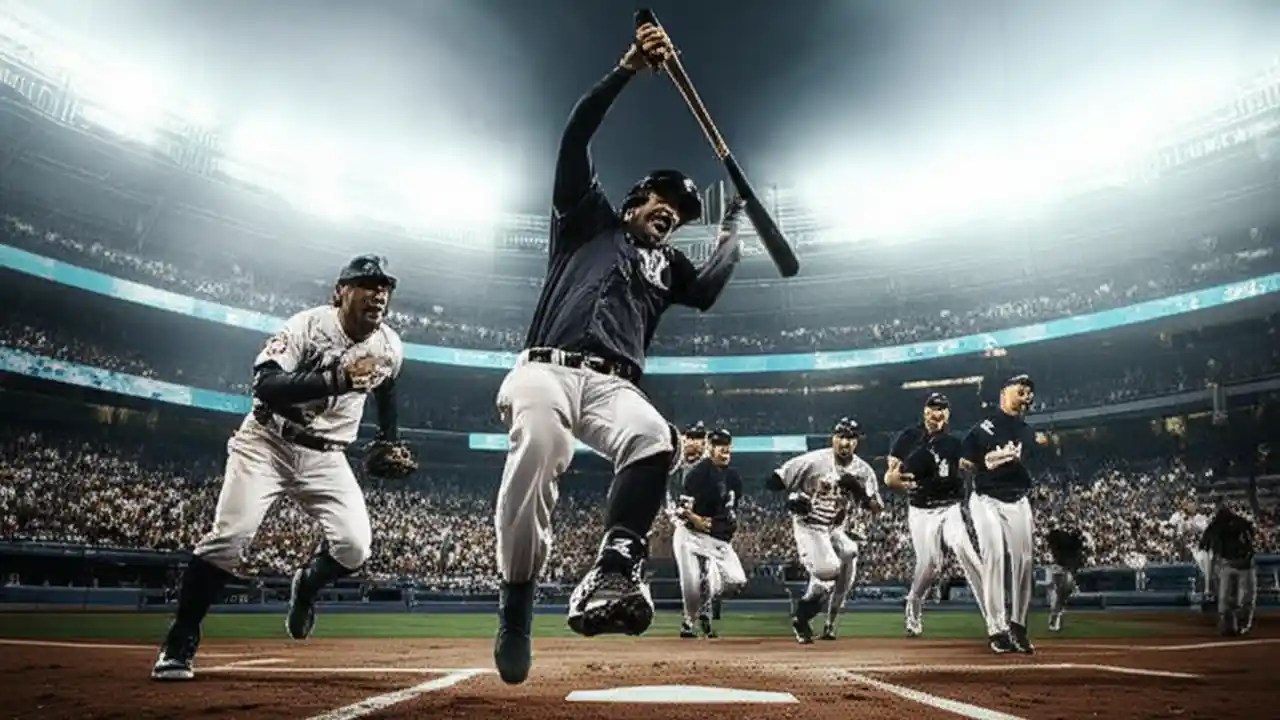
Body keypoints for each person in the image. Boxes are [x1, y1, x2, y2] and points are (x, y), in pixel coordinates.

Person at [491, 21, 747, 685]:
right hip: (545, 368)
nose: (672, 213)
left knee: (656, 438)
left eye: (682, 213)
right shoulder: (587, 218)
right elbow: (576, 133)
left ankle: (614, 566)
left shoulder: (668, 266)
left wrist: (731, 234)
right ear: (636, 199)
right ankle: (516, 603)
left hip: (616, 384)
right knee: (543, 445)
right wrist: (629, 67)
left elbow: (709, 291)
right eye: (665, 201)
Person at [151, 255, 405, 681]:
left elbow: (388, 387)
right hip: (267, 442)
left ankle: (306, 585)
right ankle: (181, 636)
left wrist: (388, 438)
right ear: (341, 290)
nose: (377, 294)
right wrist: (334, 380)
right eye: (366, 284)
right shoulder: (308, 326)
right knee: (229, 537)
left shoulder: (391, 345)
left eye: (384, 287)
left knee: (355, 548)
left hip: (326, 456)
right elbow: (265, 383)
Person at [767, 418, 884, 644]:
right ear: (833, 438)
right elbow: (775, 480)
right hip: (809, 526)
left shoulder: (864, 470)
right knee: (829, 570)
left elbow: (877, 507)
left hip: (834, 528)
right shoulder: (813, 461)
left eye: (850, 438)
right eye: (841, 436)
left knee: (849, 555)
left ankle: (828, 623)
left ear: (857, 442)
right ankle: (801, 616)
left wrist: (860, 492)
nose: (845, 442)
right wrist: (792, 500)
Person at [885, 393, 985, 638]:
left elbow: (970, 464)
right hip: (921, 510)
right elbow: (890, 475)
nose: (936, 413)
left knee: (966, 551)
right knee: (931, 564)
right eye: (932, 408)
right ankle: (914, 603)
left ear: (947, 414)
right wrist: (898, 481)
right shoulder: (908, 437)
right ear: (924, 411)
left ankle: (996, 620)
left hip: (950, 507)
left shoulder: (954, 442)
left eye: (942, 409)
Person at [962, 374, 1040, 655]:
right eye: (1022, 390)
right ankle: (997, 629)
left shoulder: (1028, 432)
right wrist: (986, 461)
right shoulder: (984, 429)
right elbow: (965, 462)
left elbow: (1037, 462)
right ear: (1004, 393)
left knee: (1025, 561)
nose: (1027, 396)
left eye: (1030, 393)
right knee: (994, 554)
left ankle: (1018, 626)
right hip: (986, 499)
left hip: (1018, 500)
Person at [672, 428, 746, 638]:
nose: (725, 452)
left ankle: (706, 602)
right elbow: (683, 510)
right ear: (711, 448)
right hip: (691, 535)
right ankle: (689, 623)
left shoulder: (733, 477)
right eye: (720, 447)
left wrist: (716, 524)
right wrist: (696, 520)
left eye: (727, 448)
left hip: (717, 538)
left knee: (736, 581)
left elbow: (732, 508)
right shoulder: (698, 474)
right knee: (691, 583)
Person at [1200, 503, 1257, 636]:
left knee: (1229, 600)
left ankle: (1230, 626)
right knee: (1241, 600)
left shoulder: (1218, 526)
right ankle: (1236, 626)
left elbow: (1206, 546)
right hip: (1239, 565)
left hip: (1234, 564)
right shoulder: (1240, 523)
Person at [1044, 523, 1087, 632]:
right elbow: (1055, 537)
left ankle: (1056, 614)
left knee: (1063, 594)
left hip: (1063, 569)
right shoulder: (1061, 541)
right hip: (1060, 569)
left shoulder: (1069, 544)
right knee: (1061, 595)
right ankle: (1055, 616)